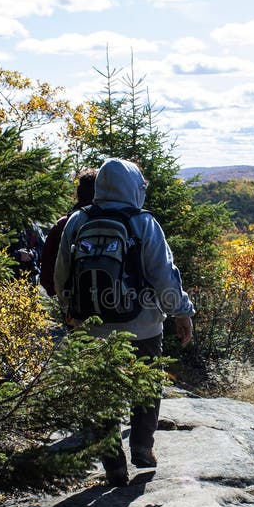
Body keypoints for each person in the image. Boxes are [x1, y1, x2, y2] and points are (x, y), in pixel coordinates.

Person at [54, 158, 194, 486]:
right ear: (133, 187)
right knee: (145, 385)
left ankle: (113, 465)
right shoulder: (144, 222)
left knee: (100, 393)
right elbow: (164, 276)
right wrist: (181, 312)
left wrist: (68, 308)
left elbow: (62, 272)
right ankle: (142, 447)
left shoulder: (78, 220)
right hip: (143, 324)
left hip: (92, 325)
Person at [40, 168, 97, 297]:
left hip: (69, 304)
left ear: (78, 192)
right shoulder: (112, 225)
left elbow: (46, 272)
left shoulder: (62, 224)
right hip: (106, 304)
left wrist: (58, 299)